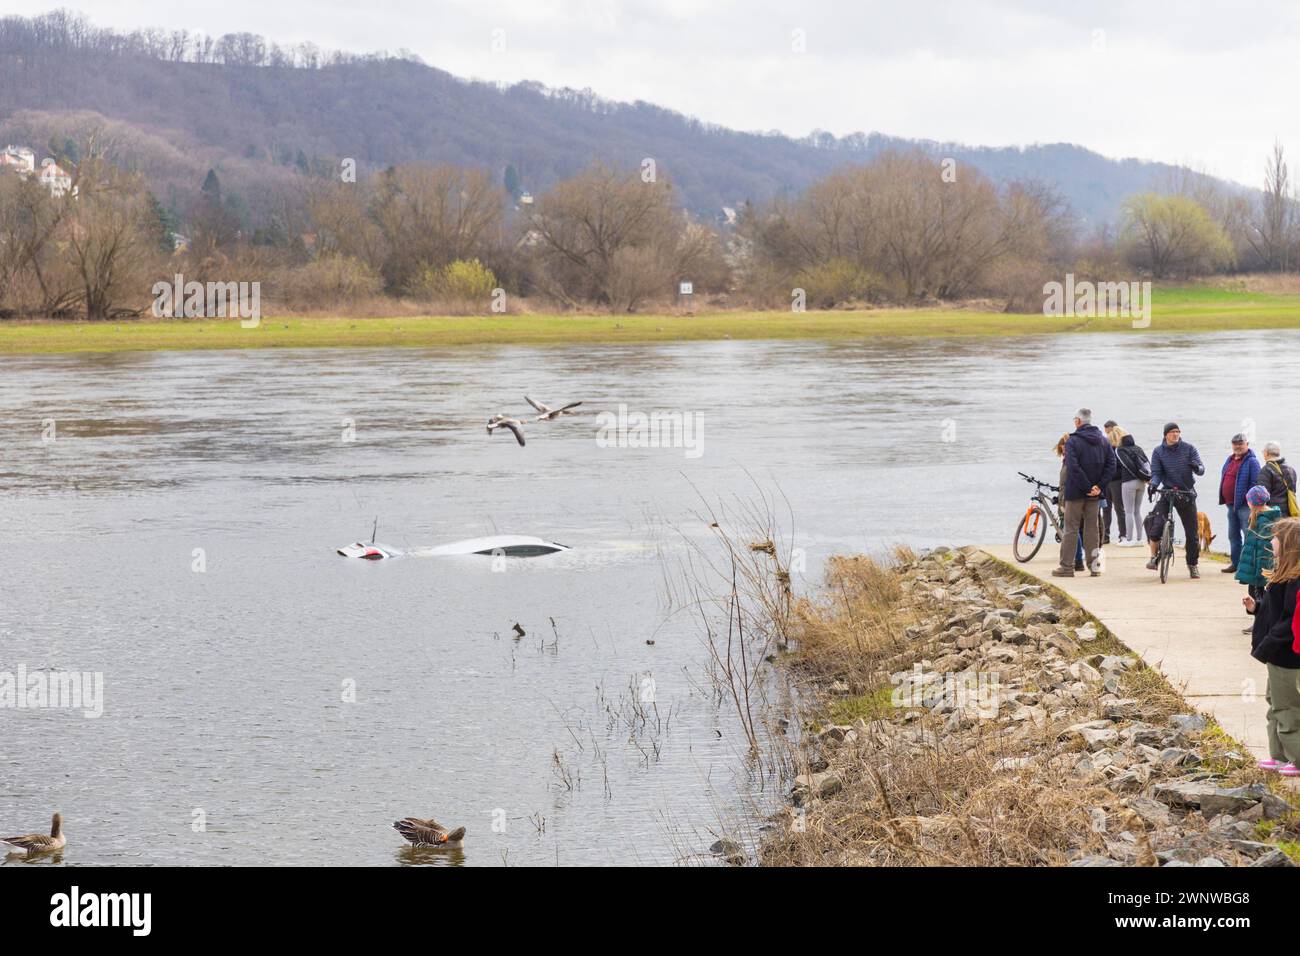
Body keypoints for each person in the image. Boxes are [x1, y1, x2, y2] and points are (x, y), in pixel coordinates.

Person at [1242, 516, 1300, 776]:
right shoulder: (1282, 577)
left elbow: (1289, 622)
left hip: (1288, 657)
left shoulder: (1296, 582)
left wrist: (1267, 645)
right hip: (1277, 656)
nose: (1272, 541)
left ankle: (1297, 758)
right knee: (1273, 702)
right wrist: (1257, 609)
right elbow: (1275, 614)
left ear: (1289, 545)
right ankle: (1278, 756)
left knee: (1288, 707)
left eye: (1276, 538)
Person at [1053, 408, 1116, 578]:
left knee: (1071, 528)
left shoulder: (1073, 442)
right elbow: (1111, 465)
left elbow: (1073, 467)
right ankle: (1094, 567)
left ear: (1078, 421)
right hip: (1095, 494)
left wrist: (1087, 487)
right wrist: (1099, 487)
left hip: (1076, 492)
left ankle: (1067, 567)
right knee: (1092, 529)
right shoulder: (1104, 441)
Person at [1147, 422, 1205, 578]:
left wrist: (1196, 468)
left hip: (1186, 493)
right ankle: (1153, 558)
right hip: (1167, 492)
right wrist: (1153, 484)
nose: (1175, 434)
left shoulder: (1189, 448)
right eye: (1172, 432)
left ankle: (1192, 564)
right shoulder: (1158, 451)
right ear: (1166, 434)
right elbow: (1156, 472)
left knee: (1192, 534)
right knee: (1156, 527)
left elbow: (1201, 469)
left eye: (1177, 432)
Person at [1236, 485, 1281, 632]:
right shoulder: (1265, 517)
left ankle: (1260, 623)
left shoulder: (1262, 521)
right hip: (1256, 566)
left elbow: (1262, 549)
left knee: (1258, 596)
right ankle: (1261, 622)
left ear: (1252, 503)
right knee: (1258, 595)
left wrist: (1258, 573)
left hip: (1259, 569)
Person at [1219, 433, 1260, 573]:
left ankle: (1249, 567)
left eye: (1240, 443)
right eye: (1235, 443)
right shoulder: (1230, 459)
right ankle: (1235, 564)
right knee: (1233, 535)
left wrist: (1250, 502)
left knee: (1249, 535)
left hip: (1245, 506)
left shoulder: (1252, 461)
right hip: (1231, 505)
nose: (1238, 446)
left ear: (1247, 444)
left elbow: (1255, 484)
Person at [1114, 432, 1150, 546]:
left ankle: (1129, 540)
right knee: (1137, 511)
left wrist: (1136, 475)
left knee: (1128, 511)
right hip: (1142, 482)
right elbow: (1147, 464)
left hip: (1128, 482)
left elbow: (1127, 465)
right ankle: (1139, 539)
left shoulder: (1120, 450)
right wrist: (1146, 477)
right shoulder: (1138, 448)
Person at [1055, 433, 1084, 571]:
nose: (1063, 450)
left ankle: (1076, 560)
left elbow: (1067, 482)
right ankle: (1077, 559)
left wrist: (1062, 501)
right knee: (1072, 529)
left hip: (1069, 498)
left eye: (1064, 447)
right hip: (1067, 497)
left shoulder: (1071, 461)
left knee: (1070, 529)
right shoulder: (1068, 460)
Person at [1103, 424, 1128, 544]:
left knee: (1118, 509)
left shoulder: (1120, 449)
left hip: (1116, 481)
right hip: (1108, 481)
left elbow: (1121, 467)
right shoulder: (1109, 448)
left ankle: (1122, 535)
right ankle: (1106, 535)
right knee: (1107, 509)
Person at [1258, 441, 1298, 516]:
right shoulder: (1291, 469)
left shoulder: (1266, 471)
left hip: (1273, 514)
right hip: (1290, 513)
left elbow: (1262, 497)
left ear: (1266, 453)